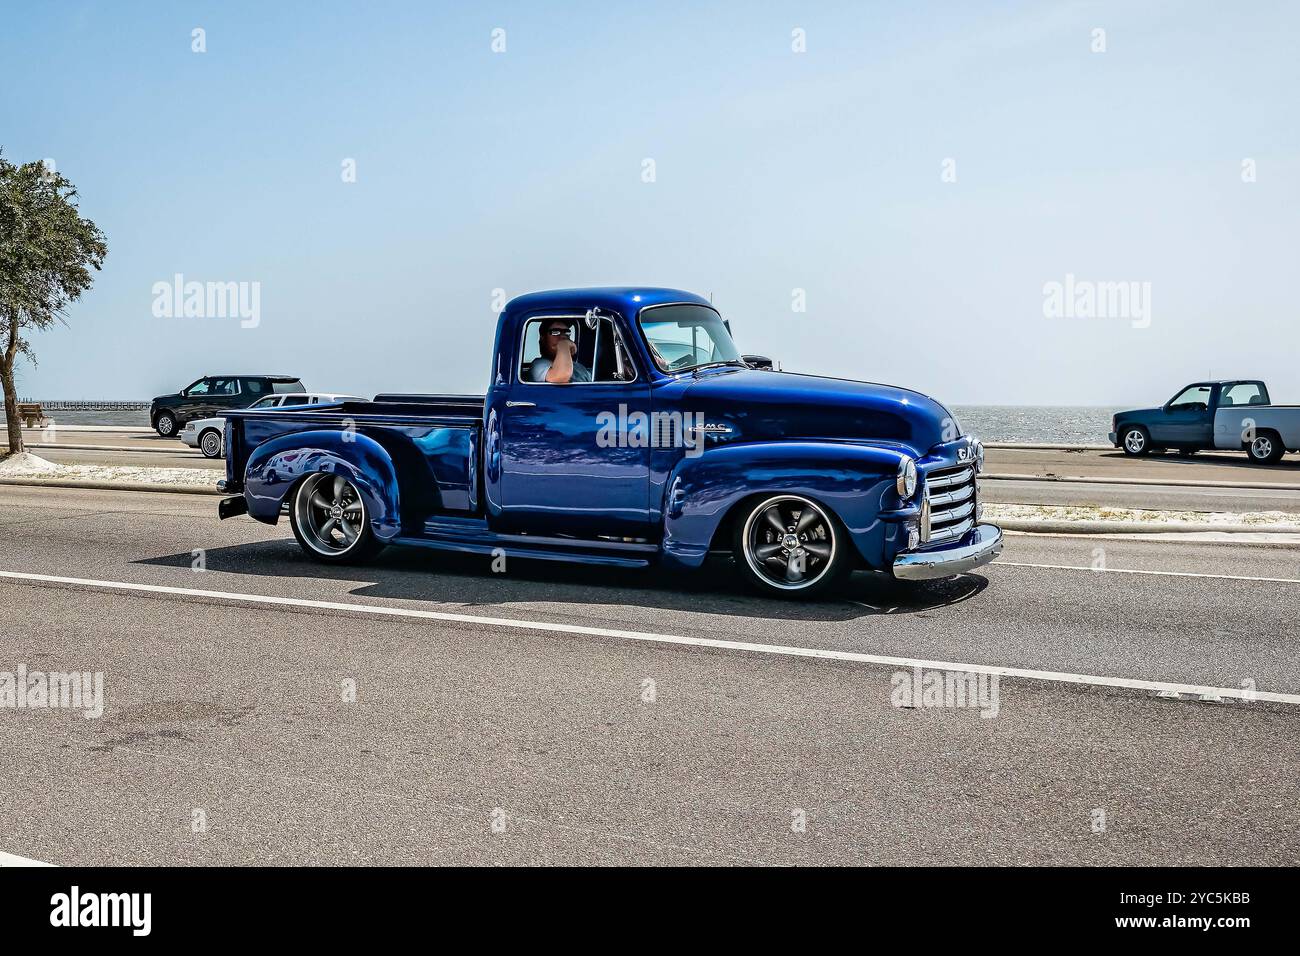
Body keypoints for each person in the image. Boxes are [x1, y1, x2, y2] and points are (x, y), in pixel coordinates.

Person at [527, 319, 592, 383]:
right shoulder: (539, 364)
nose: (563, 336)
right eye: (555, 332)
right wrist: (563, 345)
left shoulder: (577, 366)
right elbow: (561, 377)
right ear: (543, 339)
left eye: (567, 332)